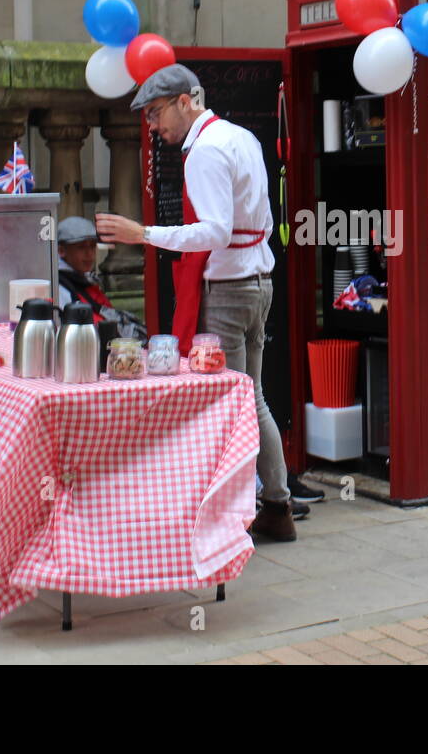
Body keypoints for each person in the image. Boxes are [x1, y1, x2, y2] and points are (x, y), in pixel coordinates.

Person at [96, 64, 312, 541]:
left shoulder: (204, 153)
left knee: (228, 406)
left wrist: (143, 233)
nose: (153, 127)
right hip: (259, 281)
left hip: (231, 291)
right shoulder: (241, 137)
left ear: (185, 102)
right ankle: (275, 506)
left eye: (155, 114)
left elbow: (213, 231)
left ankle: (237, 516)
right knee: (250, 399)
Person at [56, 215, 146, 343]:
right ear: (61, 250)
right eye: (81, 247)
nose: (89, 254)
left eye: (92, 246)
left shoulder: (86, 280)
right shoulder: (59, 287)